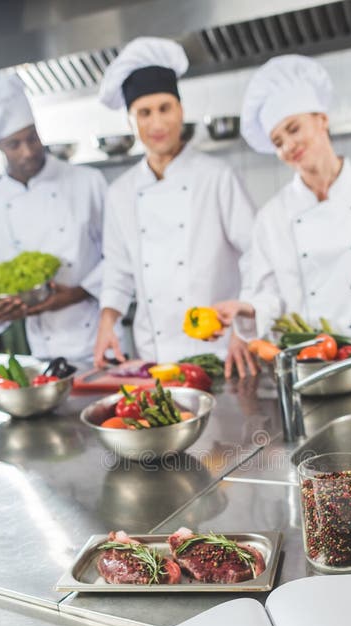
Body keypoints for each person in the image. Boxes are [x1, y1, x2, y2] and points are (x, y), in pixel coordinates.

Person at [214, 55, 351, 360]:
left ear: (322, 120)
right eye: (277, 141)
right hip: (305, 363)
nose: (288, 145)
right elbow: (268, 296)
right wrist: (244, 309)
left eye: (293, 128)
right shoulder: (272, 217)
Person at [94, 37, 257, 378]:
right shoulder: (121, 192)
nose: (157, 124)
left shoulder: (216, 177)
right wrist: (108, 320)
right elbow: (118, 270)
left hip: (221, 352)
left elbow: (256, 255)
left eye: (165, 108)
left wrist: (243, 330)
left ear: (181, 110)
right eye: (144, 112)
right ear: (130, 121)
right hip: (155, 356)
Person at [0, 74, 106, 364]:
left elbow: (121, 258)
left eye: (32, 137)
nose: (28, 151)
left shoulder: (88, 182)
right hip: (43, 352)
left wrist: (79, 292)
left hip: (101, 341)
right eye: (14, 144)